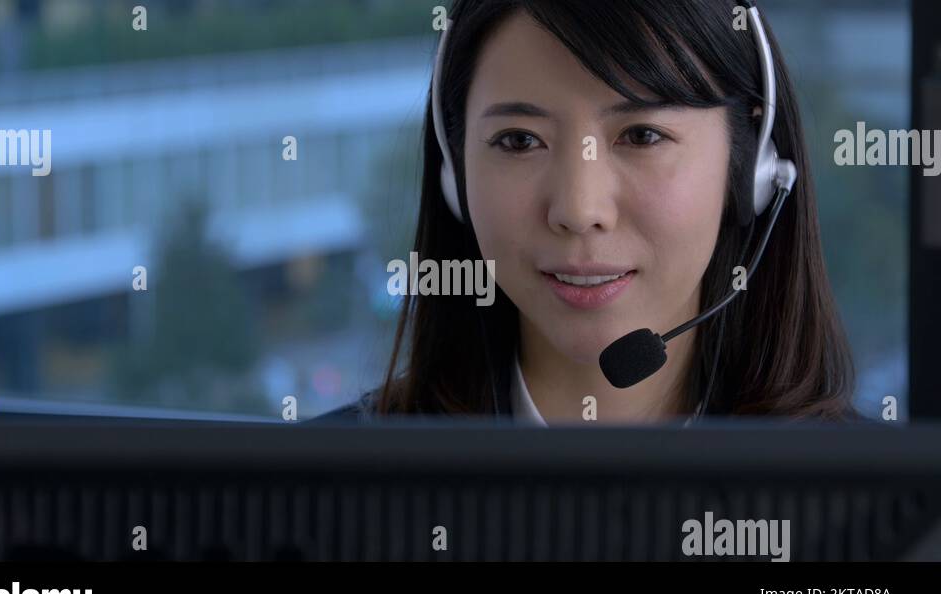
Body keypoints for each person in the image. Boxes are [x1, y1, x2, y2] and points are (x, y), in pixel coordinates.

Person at [314, 0, 861, 425]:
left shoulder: (875, 517)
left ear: (751, 169)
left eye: (642, 135)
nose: (579, 210)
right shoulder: (321, 501)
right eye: (519, 141)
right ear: (456, 175)